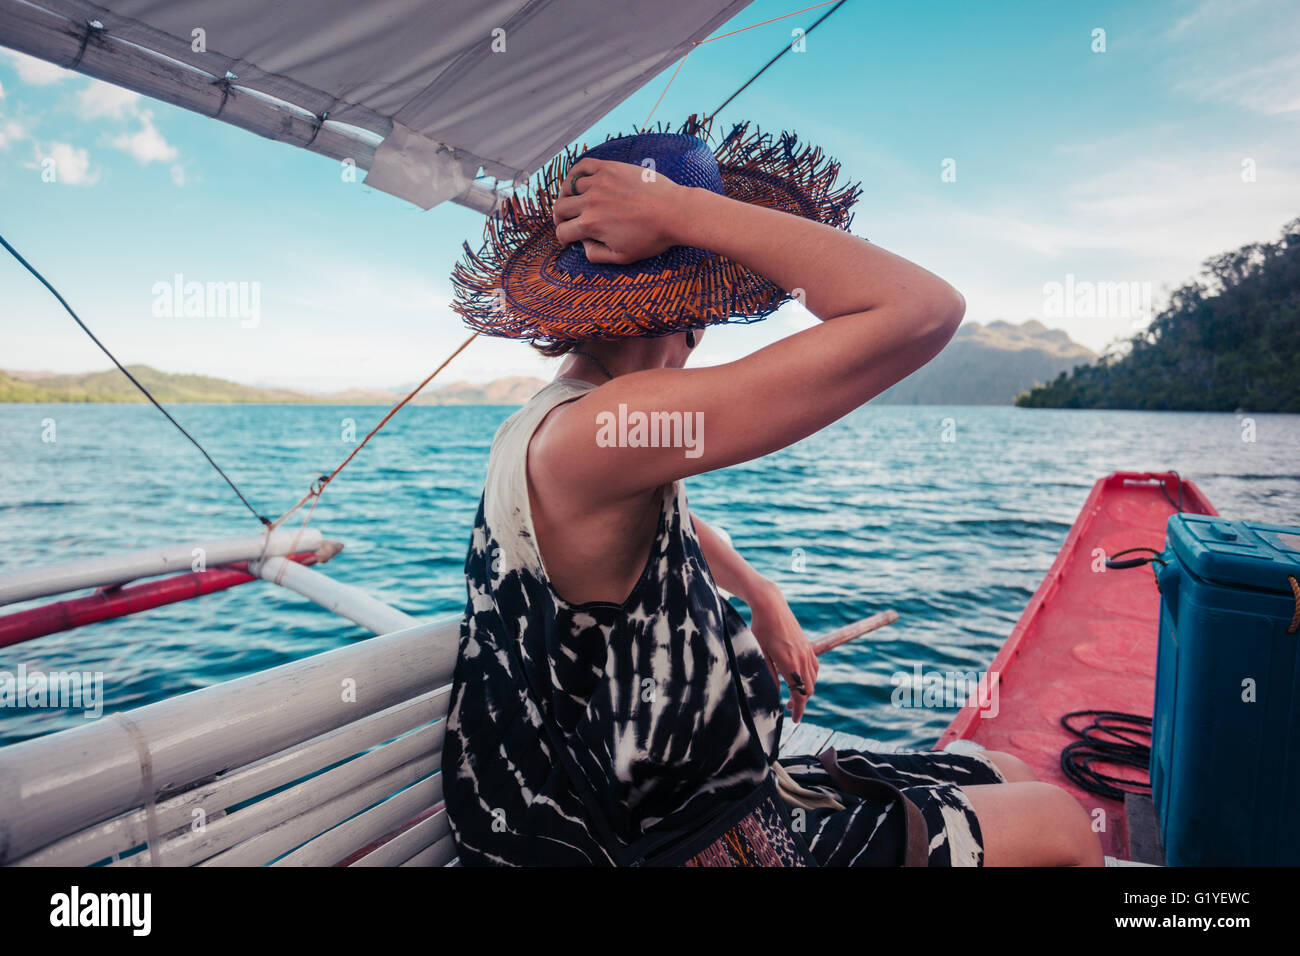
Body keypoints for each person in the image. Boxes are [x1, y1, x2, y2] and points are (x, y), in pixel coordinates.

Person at [441, 117, 1103, 867]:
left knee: (1006, 770)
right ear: (698, 309)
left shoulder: (564, 424)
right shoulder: (606, 430)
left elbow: (661, 532)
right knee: (1063, 825)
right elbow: (924, 310)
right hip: (657, 842)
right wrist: (686, 214)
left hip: (639, 802)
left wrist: (759, 591)